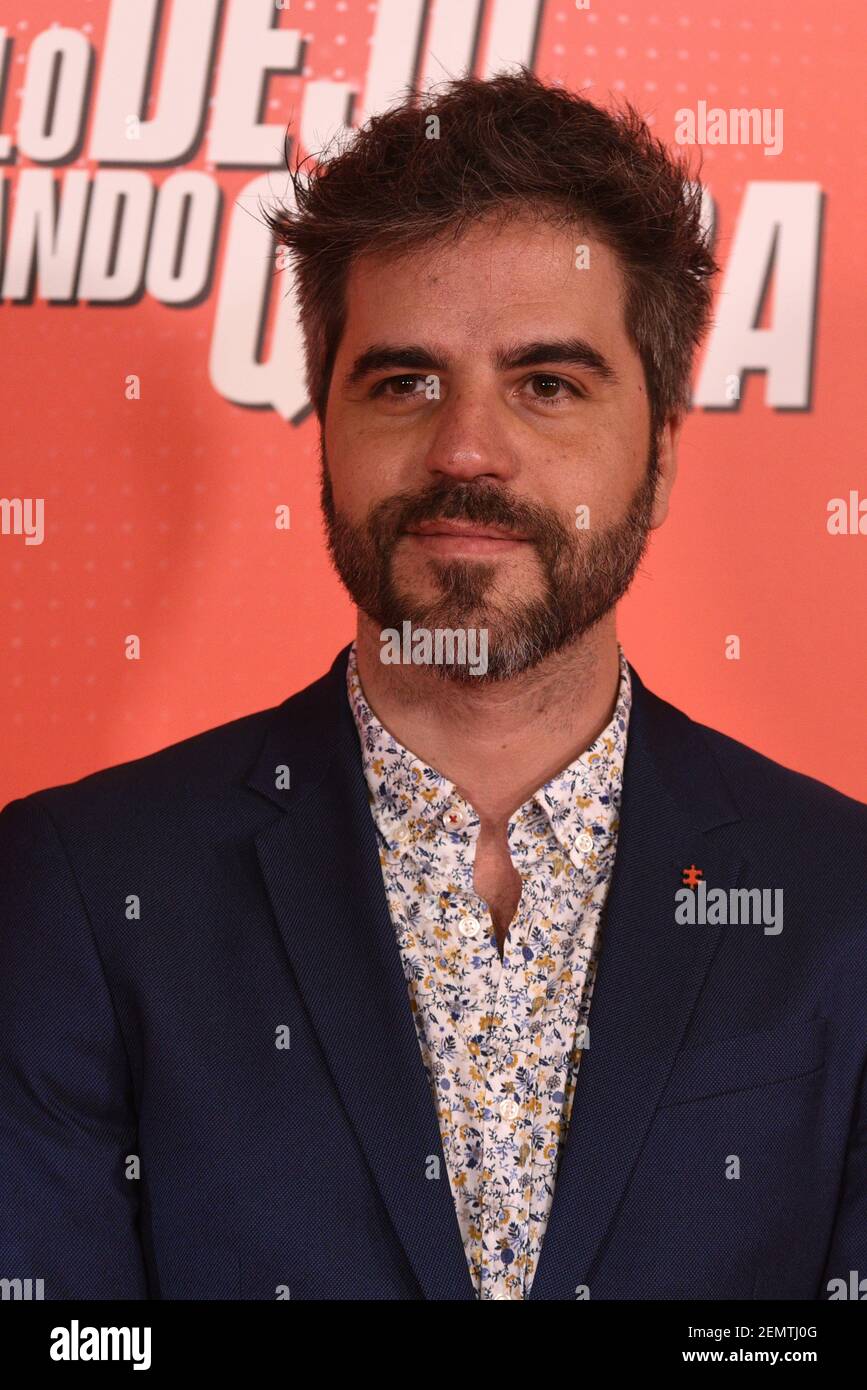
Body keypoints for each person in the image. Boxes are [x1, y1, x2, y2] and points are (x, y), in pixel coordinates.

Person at [1, 70, 864, 1302]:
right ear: (324, 429)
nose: (466, 448)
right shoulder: (81, 891)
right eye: (403, 382)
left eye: (548, 384)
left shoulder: (840, 901)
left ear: (663, 455)